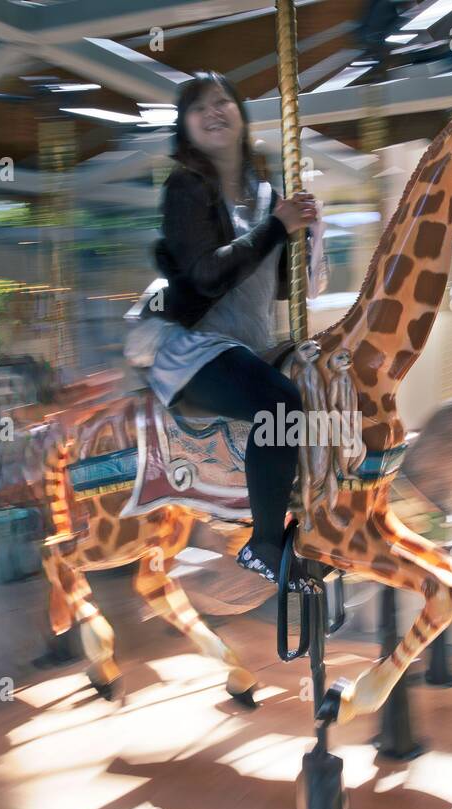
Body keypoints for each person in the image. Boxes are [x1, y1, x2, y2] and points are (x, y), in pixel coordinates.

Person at [147, 71, 320, 588]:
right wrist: (276, 228)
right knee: (281, 403)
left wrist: (303, 236)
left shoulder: (264, 193)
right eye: (199, 107)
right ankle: (264, 542)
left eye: (224, 101)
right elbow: (207, 273)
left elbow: (282, 286)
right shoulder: (185, 187)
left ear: (242, 116)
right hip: (195, 349)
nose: (214, 111)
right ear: (186, 128)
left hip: (251, 343)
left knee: (324, 388)